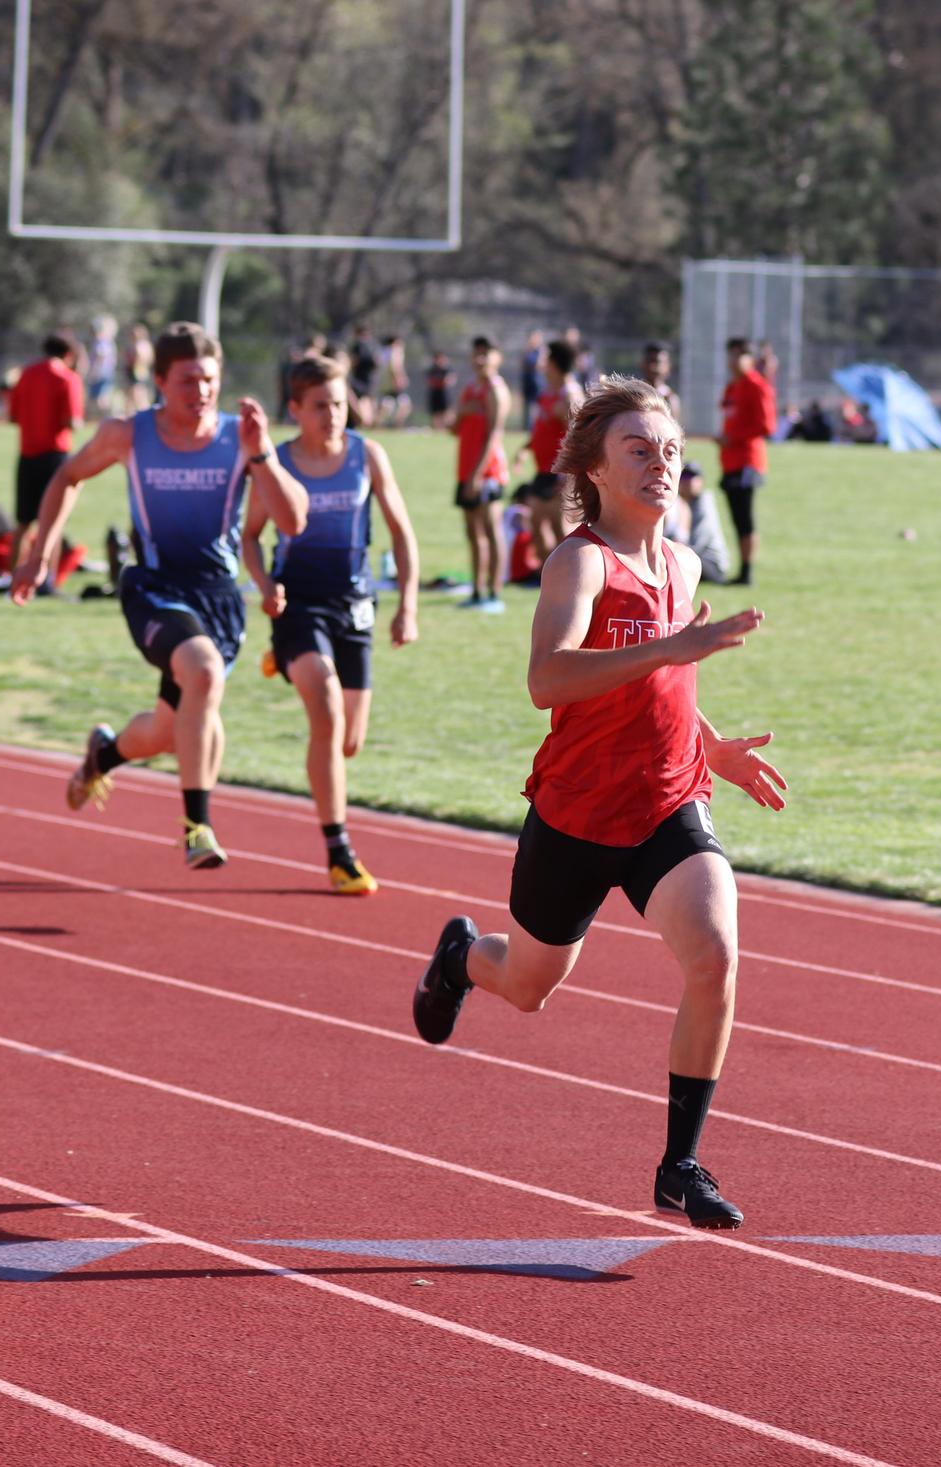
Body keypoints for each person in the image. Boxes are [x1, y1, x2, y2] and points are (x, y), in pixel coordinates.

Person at [410, 374, 786, 1230]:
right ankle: (464, 955)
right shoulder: (580, 560)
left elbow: (667, 679)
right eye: (639, 451)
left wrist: (711, 743)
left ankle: (679, 1163)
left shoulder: (682, 559)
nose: (662, 464)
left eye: (671, 451)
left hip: (665, 801)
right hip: (575, 816)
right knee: (530, 985)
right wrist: (675, 642)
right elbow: (549, 679)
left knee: (717, 954)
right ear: (597, 470)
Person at [14, 323, 308, 869]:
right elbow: (66, 477)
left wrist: (262, 452)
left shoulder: (238, 439)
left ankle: (103, 754)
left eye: (210, 381)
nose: (201, 392)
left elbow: (293, 518)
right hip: (153, 586)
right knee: (203, 673)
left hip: (217, 598)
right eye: (188, 381)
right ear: (158, 382)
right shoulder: (128, 435)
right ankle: (198, 828)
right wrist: (40, 554)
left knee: (172, 730)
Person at [241, 352, 421, 895]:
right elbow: (249, 535)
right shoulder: (278, 463)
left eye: (340, 404)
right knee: (324, 711)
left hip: (354, 604)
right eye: (320, 406)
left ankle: (292, 661)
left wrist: (407, 604)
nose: (333, 415)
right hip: (298, 603)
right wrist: (265, 585)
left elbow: (401, 531)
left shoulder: (367, 455)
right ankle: (339, 851)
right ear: (295, 408)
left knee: (348, 741)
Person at [8, 332, 86, 588]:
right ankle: (47, 582)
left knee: (22, 523)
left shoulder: (26, 375)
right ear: (69, 354)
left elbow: (13, 416)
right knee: (53, 523)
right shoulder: (67, 377)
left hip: (27, 453)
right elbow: (73, 421)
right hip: (55, 456)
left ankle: (12, 579)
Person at [453, 336, 512, 610]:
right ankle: (476, 591)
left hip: (487, 472)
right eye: (476, 354)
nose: (480, 359)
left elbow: (493, 436)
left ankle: (494, 592)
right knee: (472, 532)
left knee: (491, 529)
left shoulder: (495, 390)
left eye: (486, 354)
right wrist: (462, 412)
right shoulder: (469, 389)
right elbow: (453, 429)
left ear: (497, 357)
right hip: (465, 470)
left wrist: (477, 475)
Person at [519, 338, 582, 566]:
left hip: (561, 473)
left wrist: (570, 476)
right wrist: (525, 449)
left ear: (554, 363)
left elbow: (579, 439)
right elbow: (543, 431)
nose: (540, 363)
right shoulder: (547, 393)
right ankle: (551, 577)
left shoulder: (570, 396)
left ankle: (574, 582)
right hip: (542, 470)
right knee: (536, 525)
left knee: (563, 532)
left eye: (544, 358)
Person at [718, 337, 776, 584]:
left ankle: (746, 572)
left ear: (750, 359)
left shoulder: (757, 386)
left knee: (745, 517)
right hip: (730, 460)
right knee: (735, 517)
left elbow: (767, 425)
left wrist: (733, 437)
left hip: (747, 461)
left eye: (739, 355)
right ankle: (742, 570)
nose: (733, 360)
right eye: (731, 355)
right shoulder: (732, 387)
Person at [665, 463, 732, 584]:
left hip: (712, 565)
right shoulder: (678, 503)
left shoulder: (704, 504)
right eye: (684, 477)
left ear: (701, 482)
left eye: (693, 477)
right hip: (694, 556)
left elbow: (696, 545)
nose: (688, 482)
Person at [639, 341, 680, 423]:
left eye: (657, 362)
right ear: (642, 364)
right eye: (649, 361)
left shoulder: (669, 398)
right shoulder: (633, 394)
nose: (652, 367)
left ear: (668, 366)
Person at [87, 315, 119, 417]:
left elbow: (101, 356)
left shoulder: (101, 340)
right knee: (100, 397)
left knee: (101, 398)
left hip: (101, 373)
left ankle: (107, 418)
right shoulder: (107, 340)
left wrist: (95, 371)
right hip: (105, 372)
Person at [377, 335, 411, 428]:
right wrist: (398, 379)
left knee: (388, 403)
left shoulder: (383, 351)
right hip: (393, 383)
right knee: (404, 404)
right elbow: (395, 366)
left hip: (385, 383)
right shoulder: (395, 351)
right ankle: (396, 425)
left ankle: (378, 423)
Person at [518, 330, 545, 428]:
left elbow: (539, 366)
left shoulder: (541, 351)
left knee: (536, 404)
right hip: (527, 379)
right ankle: (526, 425)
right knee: (526, 403)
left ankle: (535, 425)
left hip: (536, 381)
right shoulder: (527, 351)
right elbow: (522, 364)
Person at [127, 323, 155, 411]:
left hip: (137, 371)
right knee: (136, 392)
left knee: (137, 392)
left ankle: (143, 410)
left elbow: (141, 358)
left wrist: (134, 361)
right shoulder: (146, 345)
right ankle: (133, 411)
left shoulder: (140, 345)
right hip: (140, 371)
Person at [423, 349, 454, 428]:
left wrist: (439, 382)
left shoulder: (446, 369)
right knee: (436, 414)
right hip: (434, 394)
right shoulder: (431, 370)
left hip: (444, 394)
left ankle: (447, 428)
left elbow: (449, 381)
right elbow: (429, 382)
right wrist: (439, 382)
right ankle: (437, 428)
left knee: (446, 412)